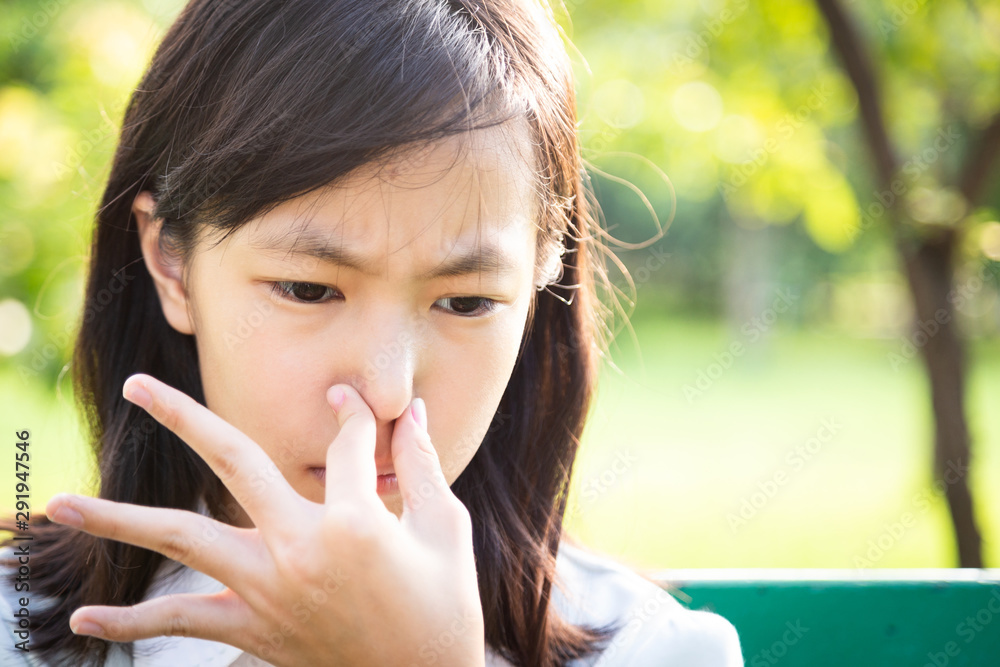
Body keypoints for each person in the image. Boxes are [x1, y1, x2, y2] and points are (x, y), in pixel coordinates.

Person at [0, 0, 744, 664]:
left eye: (466, 303)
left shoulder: (657, 650)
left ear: (539, 282)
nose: (385, 390)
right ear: (170, 262)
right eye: (309, 289)